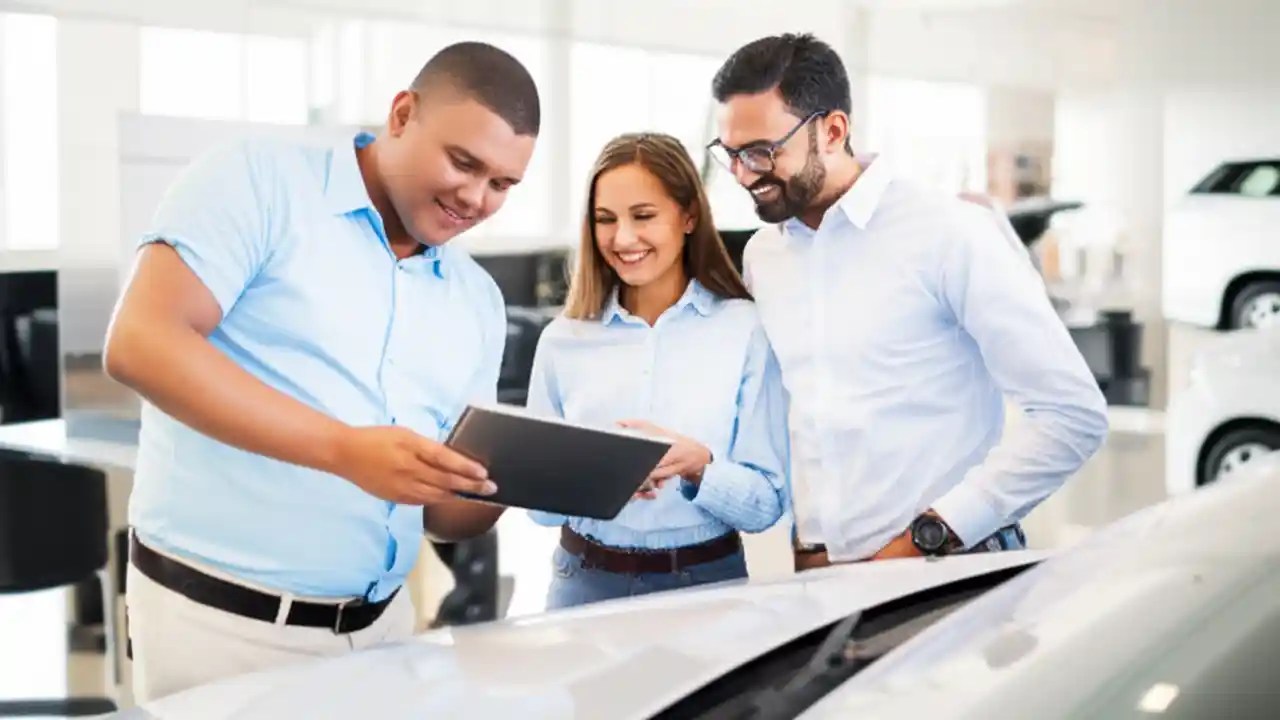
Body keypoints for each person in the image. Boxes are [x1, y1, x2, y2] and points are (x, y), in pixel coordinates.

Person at [104, 42, 540, 701]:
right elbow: (140, 342)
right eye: (463, 162)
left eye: (502, 184)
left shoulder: (476, 298)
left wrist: (530, 476)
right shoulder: (257, 181)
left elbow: (445, 518)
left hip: (385, 632)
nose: (476, 198)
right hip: (223, 628)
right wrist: (343, 451)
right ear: (402, 114)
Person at [707, 34, 1109, 572]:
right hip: (818, 580)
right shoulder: (765, 256)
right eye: (730, 154)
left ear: (832, 130)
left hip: (945, 568)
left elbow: (1072, 415)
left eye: (761, 152)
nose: (742, 174)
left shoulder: (949, 232)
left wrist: (929, 537)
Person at [525, 132, 789, 609]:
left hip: (707, 585)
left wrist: (697, 466)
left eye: (643, 216)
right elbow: (540, 512)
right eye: (605, 220)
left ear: (688, 216)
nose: (623, 239)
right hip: (583, 583)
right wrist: (595, 475)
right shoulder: (564, 340)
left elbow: (766, 505)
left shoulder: (743, 330)